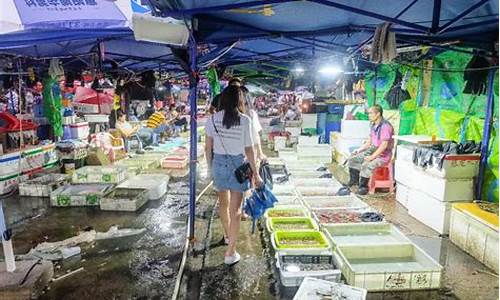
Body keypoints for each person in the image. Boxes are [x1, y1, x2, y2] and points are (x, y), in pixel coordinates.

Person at [205, 85, 263, 265]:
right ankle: (230, 252)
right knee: (236, 211)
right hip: (238, 166)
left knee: (223, 203)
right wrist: (257, 173)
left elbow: (208, 148)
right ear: (239, 100)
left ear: (222, 99)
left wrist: (210, 168)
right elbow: (250, 150)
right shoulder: (245, 120)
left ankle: (227, 235)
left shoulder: (212, 119)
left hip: (219, 165)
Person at [338, 104, 394, 195]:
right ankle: (354, 181)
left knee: (366, 164)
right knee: (353, 159)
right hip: (372, 149)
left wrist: (372, 157)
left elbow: (384, 146)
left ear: (378, 114)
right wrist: (359, 150)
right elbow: (369, 141)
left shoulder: (386, 126)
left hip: (383, 154)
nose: (369, 115)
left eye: (371, 113)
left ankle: (363, 187)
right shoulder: (373, 125)